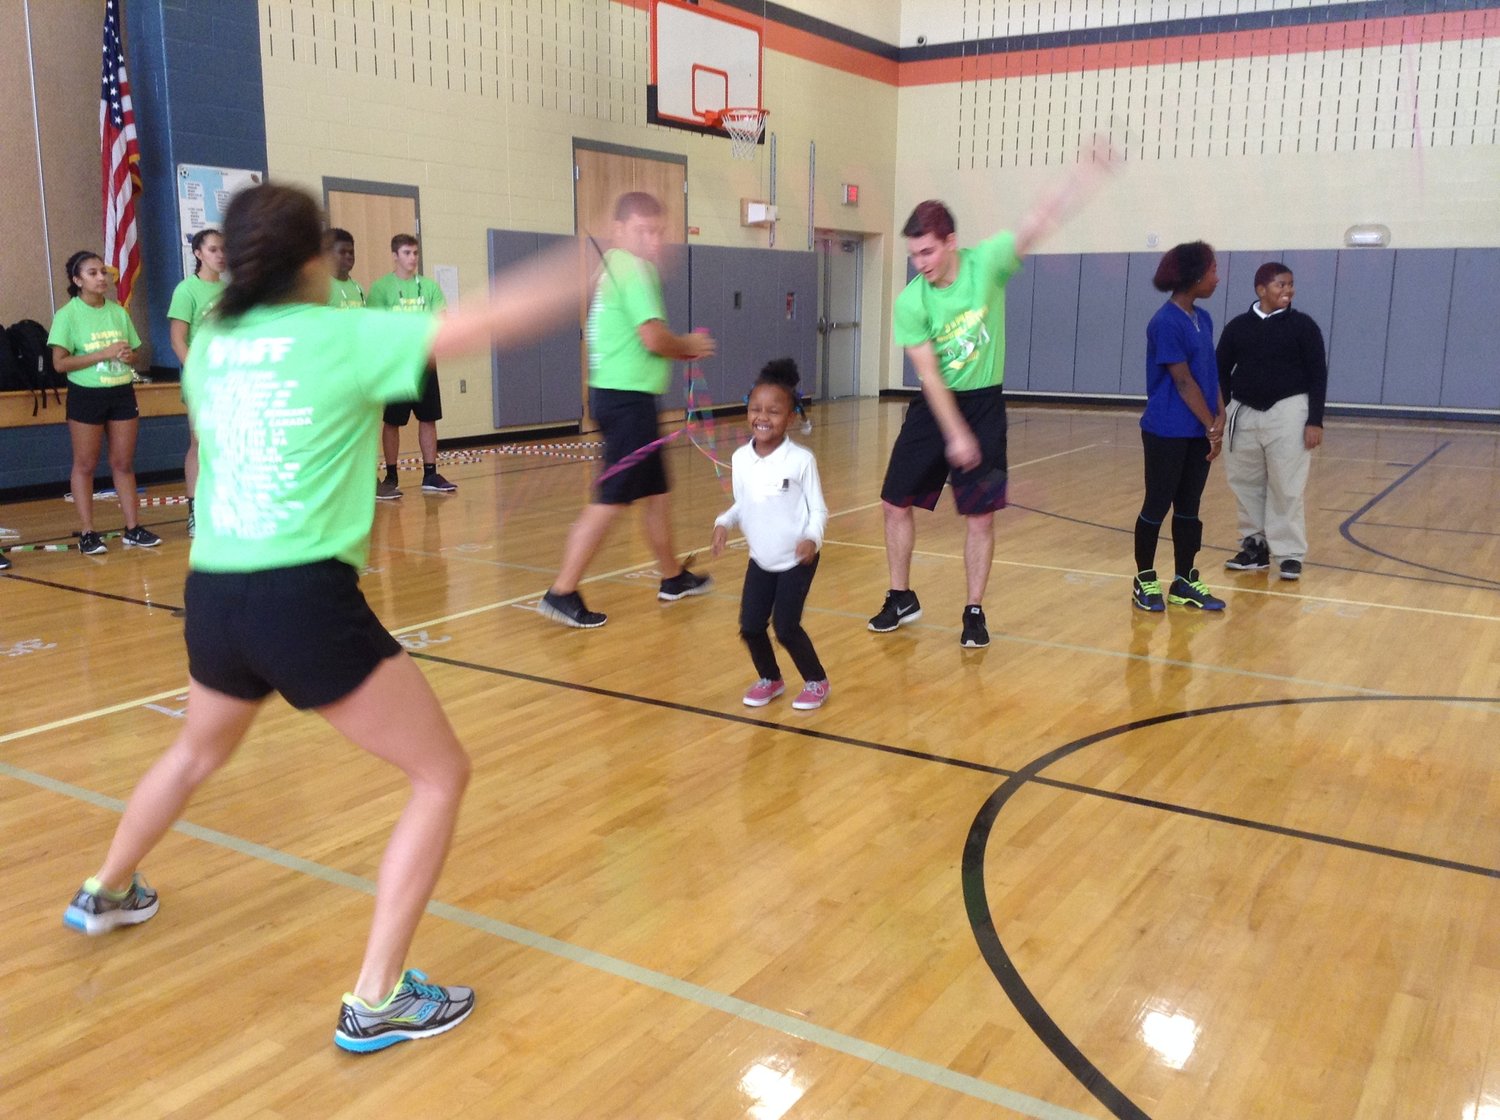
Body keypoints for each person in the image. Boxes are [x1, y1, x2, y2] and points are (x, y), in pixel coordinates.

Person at [60, 182, 583, 1053]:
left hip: (215, 592)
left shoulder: (214, 345)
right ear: (316, 262)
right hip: (301, 598)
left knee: (195, 751)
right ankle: (378, 998)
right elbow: (493, 318)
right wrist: (590, 259)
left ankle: (106, 889)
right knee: (440, 775)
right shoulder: (346, 333)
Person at [871, 162, 1109, 648]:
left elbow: (1038, 220)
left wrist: (1082, 177)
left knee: (979, 515)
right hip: (935, 405)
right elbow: (930, 375)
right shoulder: (911, 302)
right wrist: (954, 432)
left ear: (951, 241)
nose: (920, 263)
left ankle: (974, 610)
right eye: (913, 254)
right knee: (894, 503)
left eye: (928, 251)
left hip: (983, 405)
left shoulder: (988, 264)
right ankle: (900, 596)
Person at [538, 191, 717, 628]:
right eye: (642, 231)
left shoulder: (614, 265)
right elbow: (653, 338)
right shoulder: (633, 270)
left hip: (626, 398)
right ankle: (562, 591)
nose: (652, 240)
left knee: (656, 493)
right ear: (619, 230)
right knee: (611, 499)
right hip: (626, 401)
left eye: (658, 232)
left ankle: (672, 576)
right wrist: (689, 346)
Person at [711, 359, 830, 710]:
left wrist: (812, 538)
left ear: (790, 417)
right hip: (760, 559)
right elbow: (743, 503)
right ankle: (771, 678)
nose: (763, 417)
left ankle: (816, 681)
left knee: (786, 627)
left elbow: (818, 510)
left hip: (796, 559)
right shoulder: (740, 459)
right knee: (750, 626)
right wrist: (723, 522)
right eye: (756, 409)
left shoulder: (801, 461)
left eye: (774, 411)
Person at [1215, 262, 1327, 581]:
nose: (1288, 290)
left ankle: (1289, 553)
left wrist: (1315, 420)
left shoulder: (1303, 326)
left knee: (1286, 484)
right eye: (1281, 284)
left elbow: (1318, 374)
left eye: (1290, 284)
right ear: (1261, 289)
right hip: (1244, 411)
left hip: (1289, 410)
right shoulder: (1238, 327)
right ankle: (1254, 547)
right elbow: (1220, 369)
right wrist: (1224, 409)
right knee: (1245, 482)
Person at [1132, 241, 1226, 613]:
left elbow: (1208, 373)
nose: (1217, 278)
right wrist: (1210, 425)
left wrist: (1220, 414)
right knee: (1157, 504)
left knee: (1189, 507)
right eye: (1213, 270)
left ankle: (1185, 580)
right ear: (1194, 275)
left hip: (1199, 430)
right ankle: (1144, 579)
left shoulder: (1204, 319)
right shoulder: (1165, 322)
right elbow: (1183, 381)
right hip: (1167, 430)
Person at [48, 251, 162, 555]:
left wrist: (127, 356)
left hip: (121, 391)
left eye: (103, 272)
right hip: (86, 395)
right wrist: (103, 353)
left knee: (123, 463)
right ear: (77, 280)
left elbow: (134, 353)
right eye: (93, 273)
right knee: (85, 464)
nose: (102, 278)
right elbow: (60, 363)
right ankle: (88, 532)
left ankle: (132, 528)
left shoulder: (118, 312)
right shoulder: (68, 315)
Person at [367, 233, 457, 498]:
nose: (413, 258)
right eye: (407, 253)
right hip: (396, 365)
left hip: (424, 363)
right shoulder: (381, 288)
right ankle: (391, 476)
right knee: (392, 421)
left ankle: (430, 474)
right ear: (395, 256)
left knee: (428, 418)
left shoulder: (429, 287)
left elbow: (440, 320)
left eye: (415, 253)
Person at [167, 228, 227, 539]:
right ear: (198, 253)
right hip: (202, 379)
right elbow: (177, 340)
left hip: (230, 378)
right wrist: (198, 374)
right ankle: (195, 510)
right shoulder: (186, 290)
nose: (220, 255)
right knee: (200, 442)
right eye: (213, 249)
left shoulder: (231, 292)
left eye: (223, 249)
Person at [327, 228, 365, 309]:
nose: (348, 256)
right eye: (342, 252)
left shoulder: (358, 288)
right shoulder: (322, 288)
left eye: (351, 252)